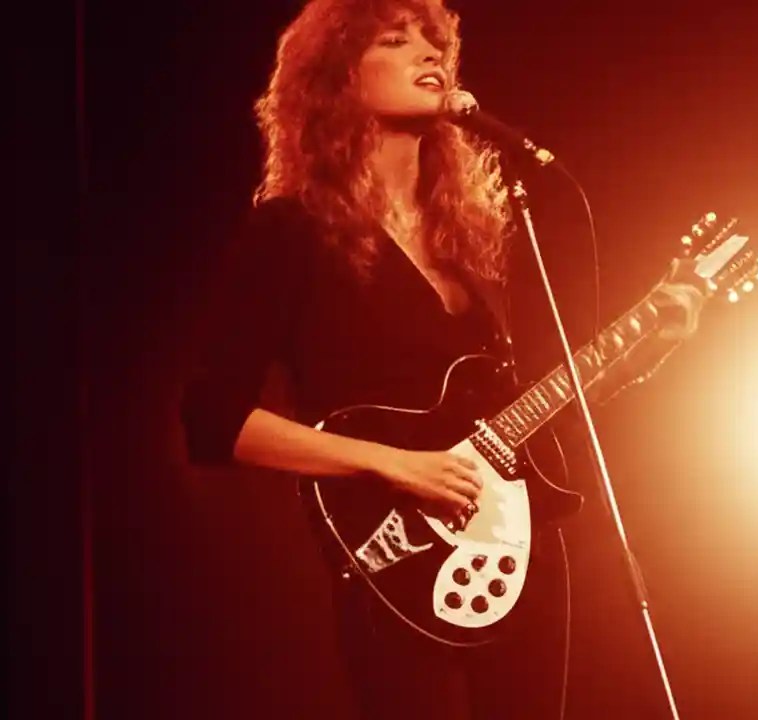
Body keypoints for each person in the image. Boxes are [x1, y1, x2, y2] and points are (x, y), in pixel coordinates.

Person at [177, 1, 707, 718]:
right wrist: (393, 463)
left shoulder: (470, 237)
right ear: (337, 77)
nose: (429, 55)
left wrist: (650, 345)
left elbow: (519, 417)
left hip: (513, 549)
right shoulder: (291, 230)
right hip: (392, 559)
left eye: (435, 44)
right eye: (397, 41)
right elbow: (211, 419)